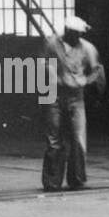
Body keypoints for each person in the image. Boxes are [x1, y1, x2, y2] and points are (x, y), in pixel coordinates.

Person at [42, 16, 102, 192]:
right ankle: (52, 182)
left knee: (78, 139)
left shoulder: (88, 49)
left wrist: (86, 81)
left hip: (76, 97)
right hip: (53, 95)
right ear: (67, 31)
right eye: (72, 33)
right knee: (54, 140)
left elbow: (97, 71)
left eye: (78, 34)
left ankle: (77, 179)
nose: (75, 36)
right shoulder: (52, 44)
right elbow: (43, 64)